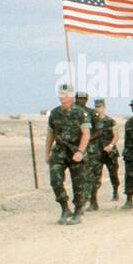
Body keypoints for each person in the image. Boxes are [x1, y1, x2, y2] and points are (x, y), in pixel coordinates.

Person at [45, 84, 89, 225]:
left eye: (65, 94)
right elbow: (50, 133)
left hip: (75, 151)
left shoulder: (80, 113)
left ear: (71, 96)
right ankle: (65, 208)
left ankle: (78, 211)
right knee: (55, 179)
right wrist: (47, 153)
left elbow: (86, 134)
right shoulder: (55, 113)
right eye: (60, 94)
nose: (62, 97)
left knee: (78, 184)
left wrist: (80, 151)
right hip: (59, 151)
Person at [93, 98, 120, 203]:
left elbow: (116, 136)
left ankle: (115, 191)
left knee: (113, 174)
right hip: (97, 152)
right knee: (95, 175)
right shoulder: (92, 121)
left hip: (110, 152)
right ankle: (93, 197)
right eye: (96, 107)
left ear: (104, 108)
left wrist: (111, 145)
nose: (97, 109)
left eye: (99, 107)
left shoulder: (111, 121)